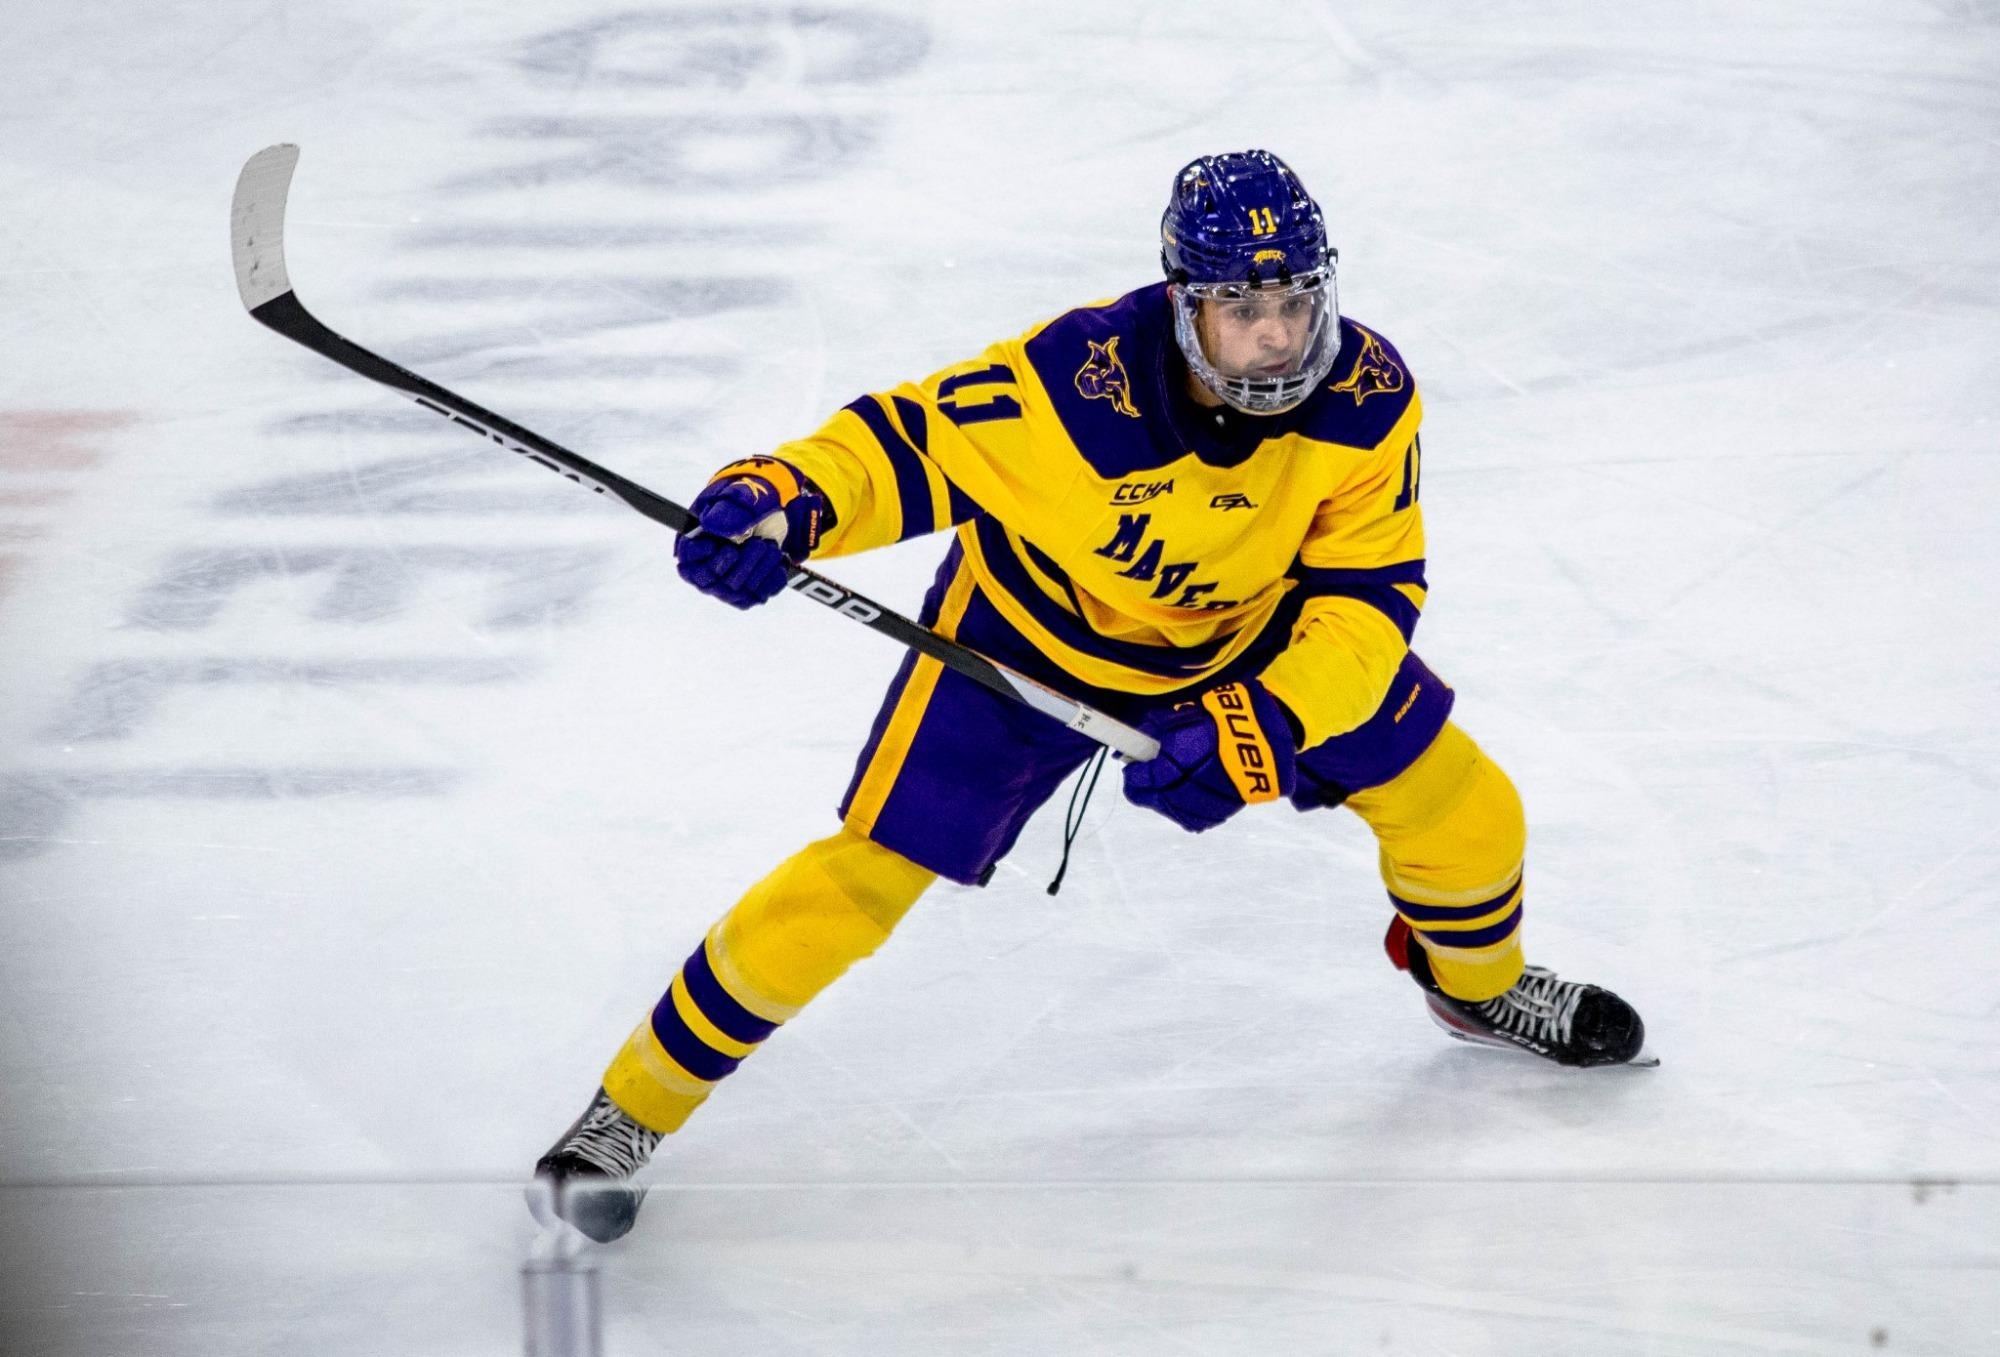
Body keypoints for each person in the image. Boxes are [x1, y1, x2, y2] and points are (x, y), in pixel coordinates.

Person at [529, 149, 1649, 1244]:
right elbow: (906, 442)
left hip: (1248, 653)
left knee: (1466, 810)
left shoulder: (1363, 396)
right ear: (1179, 305)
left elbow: (1368, 594)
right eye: (1238, 307)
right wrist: (782, 500)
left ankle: (1477, 989)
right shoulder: (1075, 384)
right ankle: (628, 1112)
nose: (1274, 336)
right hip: (1025, 647)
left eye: (1295, 303)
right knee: (853, 886)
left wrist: (1261, 717)